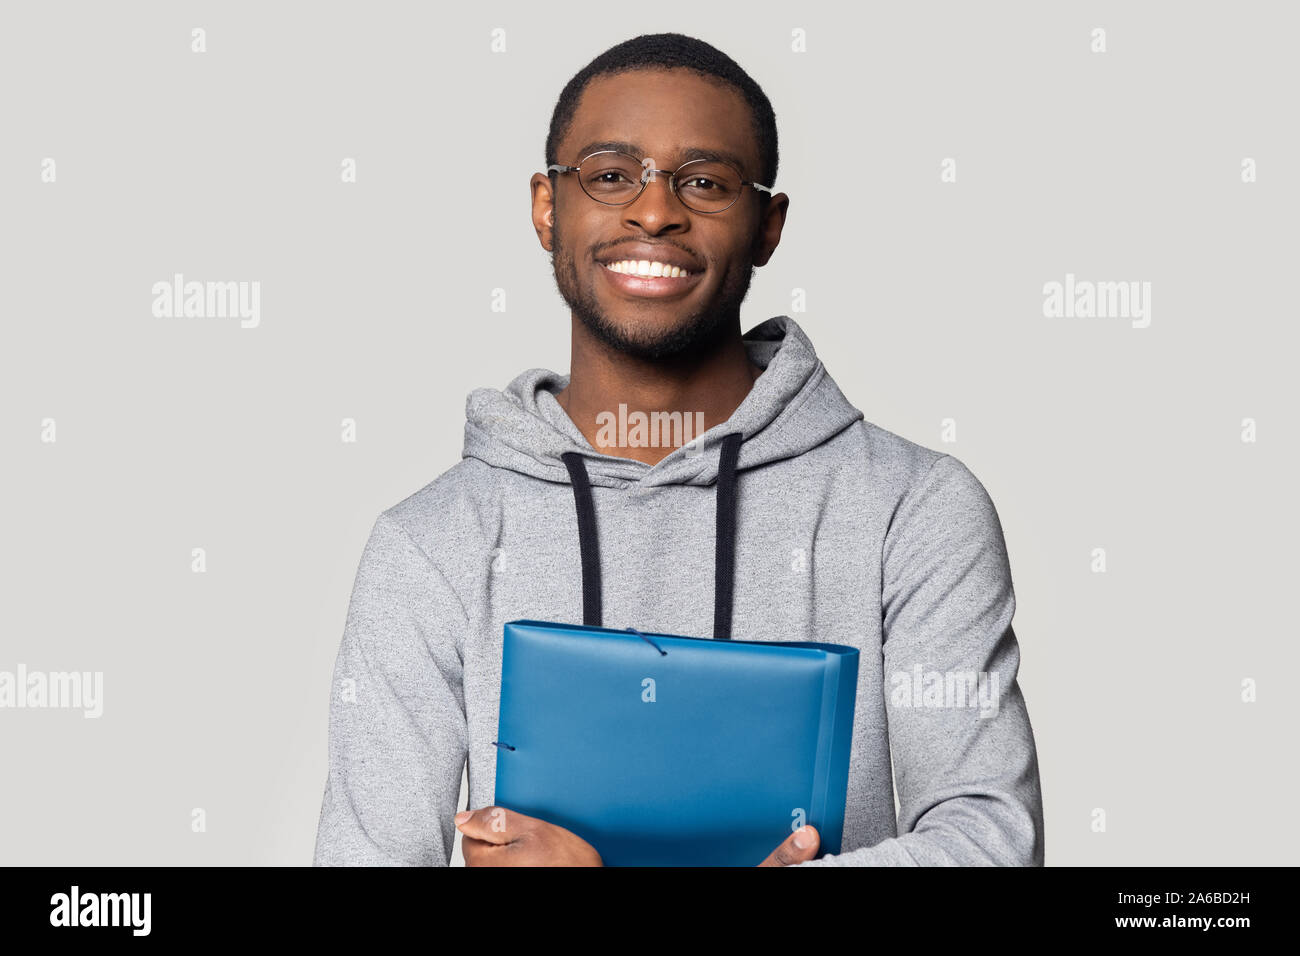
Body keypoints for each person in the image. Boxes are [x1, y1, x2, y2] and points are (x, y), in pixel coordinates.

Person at [312, 32, 1044, 867]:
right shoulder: (430, 542)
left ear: (767, 227)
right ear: (547, 208)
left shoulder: (913, 510)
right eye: (611, 174)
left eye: (703, 182)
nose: (655, 212)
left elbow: (992, 843)